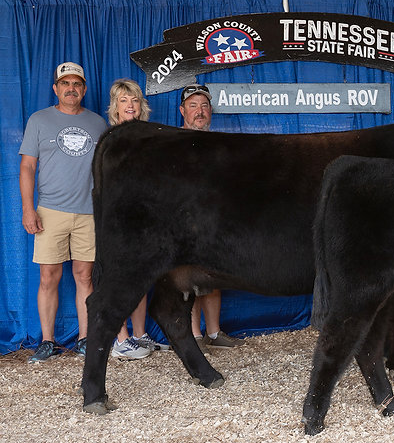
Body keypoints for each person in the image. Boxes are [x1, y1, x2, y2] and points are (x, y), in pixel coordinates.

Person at [19, 62, 108, 362]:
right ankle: (47, 341)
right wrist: (28, 209)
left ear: (83, 89)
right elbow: (27, 166)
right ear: (56, 89)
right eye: (65, 84)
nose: (71, 89)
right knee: (49, 277)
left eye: (77, 84)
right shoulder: (39, 120)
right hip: (50, 211)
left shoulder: (98, 123)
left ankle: (85, 339)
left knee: (85, 277)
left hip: (88, 213)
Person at [105, 79, 167, 359]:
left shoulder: (149, 137)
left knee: (142, 279)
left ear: (142, 105)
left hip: (145, 217)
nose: (130, 105)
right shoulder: (110, 139)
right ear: (115, 107)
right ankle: (120, 339)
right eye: (123, 101)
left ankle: (140, 335)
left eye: (134, 100)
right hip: (119, 218)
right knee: (119, 279)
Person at [178, 84, 243, 348]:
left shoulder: (218, 143)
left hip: (213, 220)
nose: (199, 112)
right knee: (187, 280)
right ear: (182, 110)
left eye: (204, 106)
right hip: (183, 220)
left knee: (213, 277)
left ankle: (214, 333)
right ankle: (193, 335)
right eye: (193, 106)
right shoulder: (172, 142)